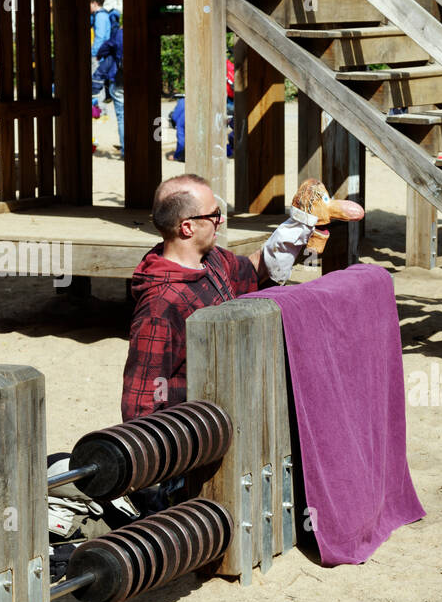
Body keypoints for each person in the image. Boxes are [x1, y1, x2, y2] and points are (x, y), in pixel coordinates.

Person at [121, 174, 364, 421]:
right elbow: (141, 403)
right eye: (214, 215)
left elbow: (251, 272)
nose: (221, 220)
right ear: (187, 227)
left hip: (234, 410)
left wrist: (293, 232)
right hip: (198, 430)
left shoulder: (212, 259)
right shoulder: (160, 306)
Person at [90, 0, 124, 155]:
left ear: (93, 3)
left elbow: (101, 38)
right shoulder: (107, 17)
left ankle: (99, 111)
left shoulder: (101, 17)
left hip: (101, 56)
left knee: (97, 84)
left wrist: (95, 53)